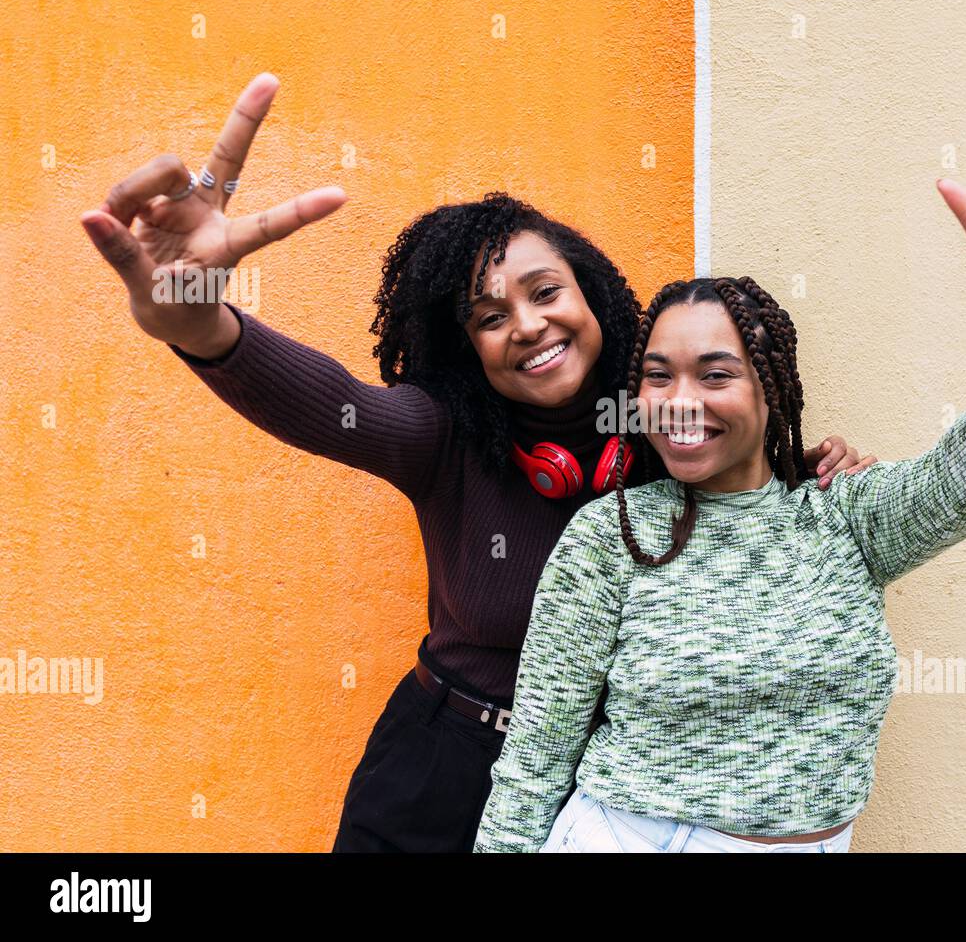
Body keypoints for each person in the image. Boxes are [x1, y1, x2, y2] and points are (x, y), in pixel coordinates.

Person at [76, 73, 871, 852]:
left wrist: (812, 474)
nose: (526, 324)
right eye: (490, 316)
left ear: (591, 295)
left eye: (545, 292)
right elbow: (331, 402)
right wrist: (201, 324)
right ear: (468, 347)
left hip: (606, 794)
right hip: (440, 769)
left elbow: (748, 496)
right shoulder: (440, 435)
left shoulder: (671, 438)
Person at [473, 134, 966, 852]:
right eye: (659, 375)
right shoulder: (611, 536)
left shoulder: (846, 515)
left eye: (716, 374)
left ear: (774, 392)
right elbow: (536, 757)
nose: (678, 401)